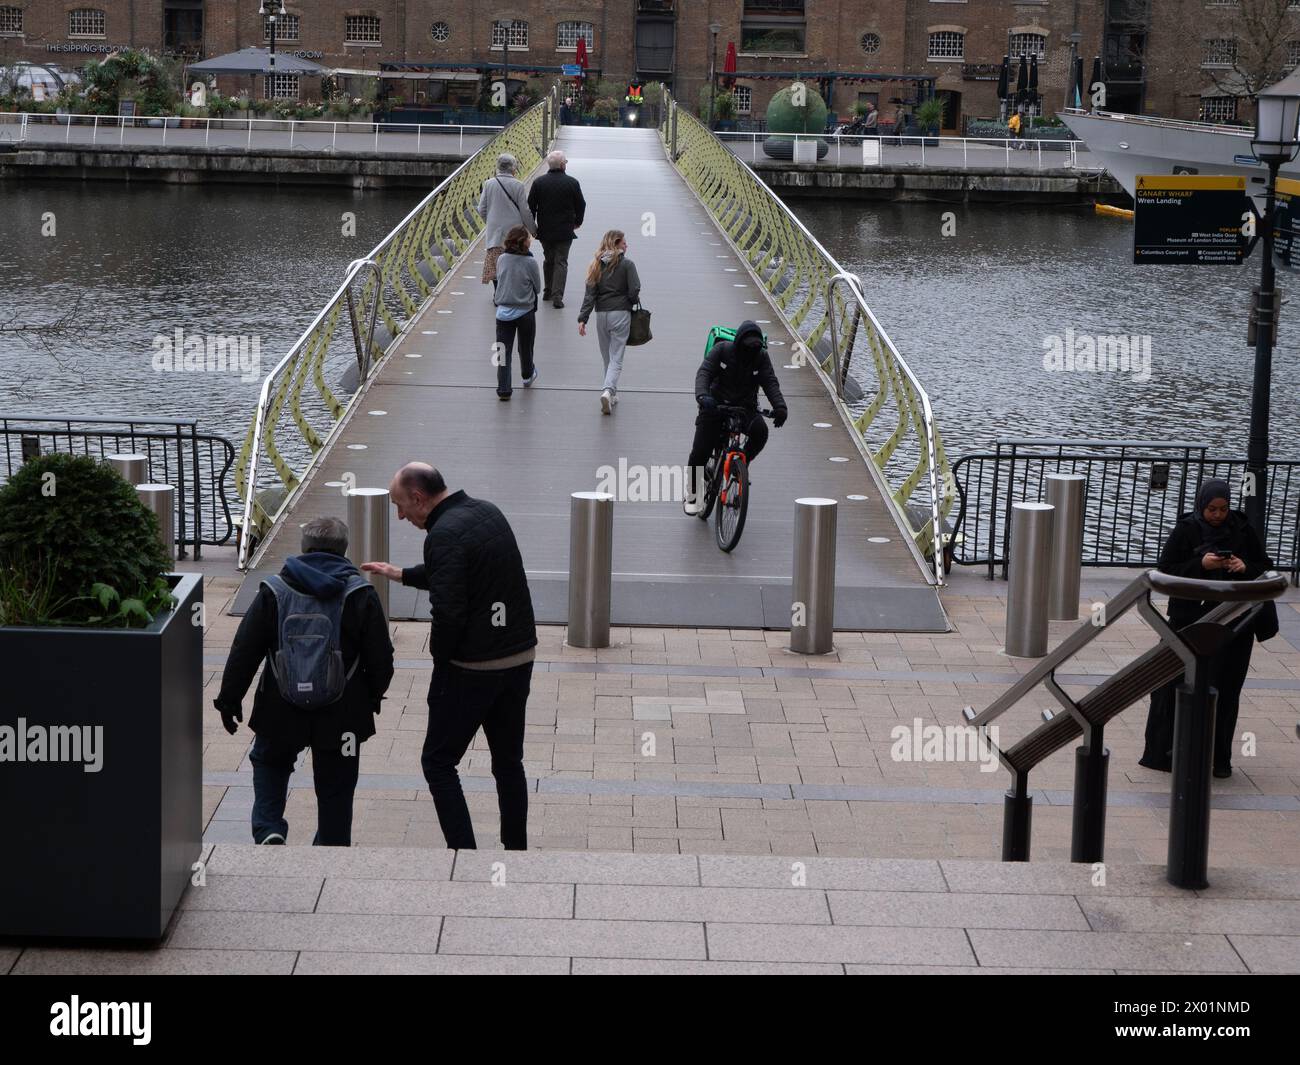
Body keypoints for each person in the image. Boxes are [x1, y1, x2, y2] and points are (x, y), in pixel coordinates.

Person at [361, 464, 537, 850]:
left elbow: (450, 610)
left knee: (438, 763)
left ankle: (464, 853)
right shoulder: (486, 511)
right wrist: (403, 574)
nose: (400, 515)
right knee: (508, 763)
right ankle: (517, 850)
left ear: (419, 498)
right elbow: (461, 571)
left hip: (473, 669)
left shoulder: (442, 535)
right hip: (519, 657)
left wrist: (441, 662)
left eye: (401, 506)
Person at [214, 517, 394, 846]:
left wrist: (229, 699)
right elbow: (382, 660)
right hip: (342, 712)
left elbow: (245, 649)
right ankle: (331, 843)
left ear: (303, 548)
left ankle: (268, 826)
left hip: (280, 707)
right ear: (344, 550)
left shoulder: (273, 591)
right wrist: (370, 698)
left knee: (269, 759)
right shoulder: (360, 594)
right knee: (337, 782)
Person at [1139, 478, 1278, 778]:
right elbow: (1166, 570)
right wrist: (1201, 564)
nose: (1217, 515)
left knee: (1226, 689)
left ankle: (1218, 759)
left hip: (1235, 623)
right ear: (1201, 506)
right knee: (1176, 684)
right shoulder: (1186, 529)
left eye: (1223, 509)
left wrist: (1244, 568)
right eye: (1212, 509)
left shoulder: (1242, 529)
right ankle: (1166, 752)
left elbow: (1264, 566)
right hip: (1190, 620)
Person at [683, 320, 789, 516]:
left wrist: (780, 407)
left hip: (744, 408)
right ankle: (693, 494)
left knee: (760, 432)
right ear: (739, 343)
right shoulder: (722, 350)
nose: (751, 352)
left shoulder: (761, 358)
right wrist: (703, 396)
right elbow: (704, 372)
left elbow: (770, 382)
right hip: (715, 405)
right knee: (700, 452)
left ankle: (740, 465)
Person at [577, 229, 641, 415]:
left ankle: (612, 394)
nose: (626, 245)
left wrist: (583, 318)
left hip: (601, 315)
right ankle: (608, 391)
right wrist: (630, 301)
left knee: (607, 356)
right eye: (624, 243)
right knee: (617, 357)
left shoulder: (596, 265)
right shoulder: (628, 264)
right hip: (620, 313)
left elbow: (590, 294)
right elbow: (634, 289)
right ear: (616, 244)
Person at [526, 149, 586, 309]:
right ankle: (557, 296)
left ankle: (547, 291)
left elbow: (530, 206)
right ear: (562, 165)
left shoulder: (539, 182)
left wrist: (533, 227)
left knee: (548, 259)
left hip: (545, 230)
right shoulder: (572, 182)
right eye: (565, 162)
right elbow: (581, 204)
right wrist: (578, 221)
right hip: (565, 230)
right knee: (561, 262)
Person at [492, 224, 542, 399]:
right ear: (524, 242)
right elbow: (538, 288)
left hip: (503, 311)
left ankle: (503, 388)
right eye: (529, 238)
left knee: (502, 352)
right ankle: (527, 375)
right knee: (525, 347)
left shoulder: (501, 259)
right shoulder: (530, 262)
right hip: (525, 312)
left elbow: (500, 278)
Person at [477, 153, 536, 287]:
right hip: (514, 232)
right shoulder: (518, 185)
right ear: (513, 168)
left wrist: (490, 220)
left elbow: (481, 209)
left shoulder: (488, 184)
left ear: (498, 167)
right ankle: (510, 290)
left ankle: (497, 292)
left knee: (495, 262)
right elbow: (525, 211)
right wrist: (533, 229)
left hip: (495, 231)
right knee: (513, 261)